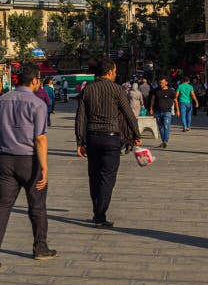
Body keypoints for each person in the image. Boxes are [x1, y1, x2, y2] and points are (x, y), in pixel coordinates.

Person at [0, 62, 55, 268]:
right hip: (29, 161)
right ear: (34, 81)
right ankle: (40, 248)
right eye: (39, 79)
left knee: (2, 205)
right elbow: (40, 138)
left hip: (5, 159)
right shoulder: (37, 104)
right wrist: (45, 167)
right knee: (37, 205)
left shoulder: (2, 101)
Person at [74, 58, 142, 227]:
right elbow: (129, 114)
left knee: (94, 176)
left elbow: (80, 117)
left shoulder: (87, 90)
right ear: (110, 72)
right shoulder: (117, 90)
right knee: (108, 177)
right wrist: (136, 134)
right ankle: (99, 214)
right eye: (115, 71)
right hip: (111, 138)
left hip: (92, 138)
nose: (116, 74)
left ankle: (98, 210)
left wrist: (79, 142)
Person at [149, 76, 179, 148]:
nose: (161, 84)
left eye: (162, 83)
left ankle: (166, 141)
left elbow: (175, 101)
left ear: (166, 83)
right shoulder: (156, 90)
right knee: (161, 127)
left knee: (166, 126)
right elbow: (153, 99)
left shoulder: (171, 91)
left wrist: (178, 110)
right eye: (160, 83)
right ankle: (163, 141)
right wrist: (151, 108)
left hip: (167, 112)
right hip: (158, 112)